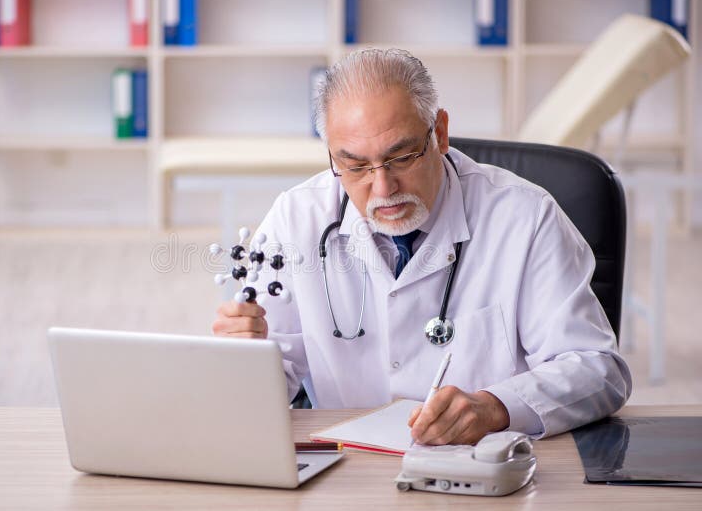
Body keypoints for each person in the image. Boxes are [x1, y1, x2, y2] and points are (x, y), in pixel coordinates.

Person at [212, 48, 631, 445]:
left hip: (481, 466)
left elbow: (598, 369)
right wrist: (244, 361)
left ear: (441, 133)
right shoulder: (296, 219)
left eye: (401, 157)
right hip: (345, 469)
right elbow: (269, 382)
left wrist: (496, 407)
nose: (383, 187)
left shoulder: (526, 216)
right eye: (355, 166)